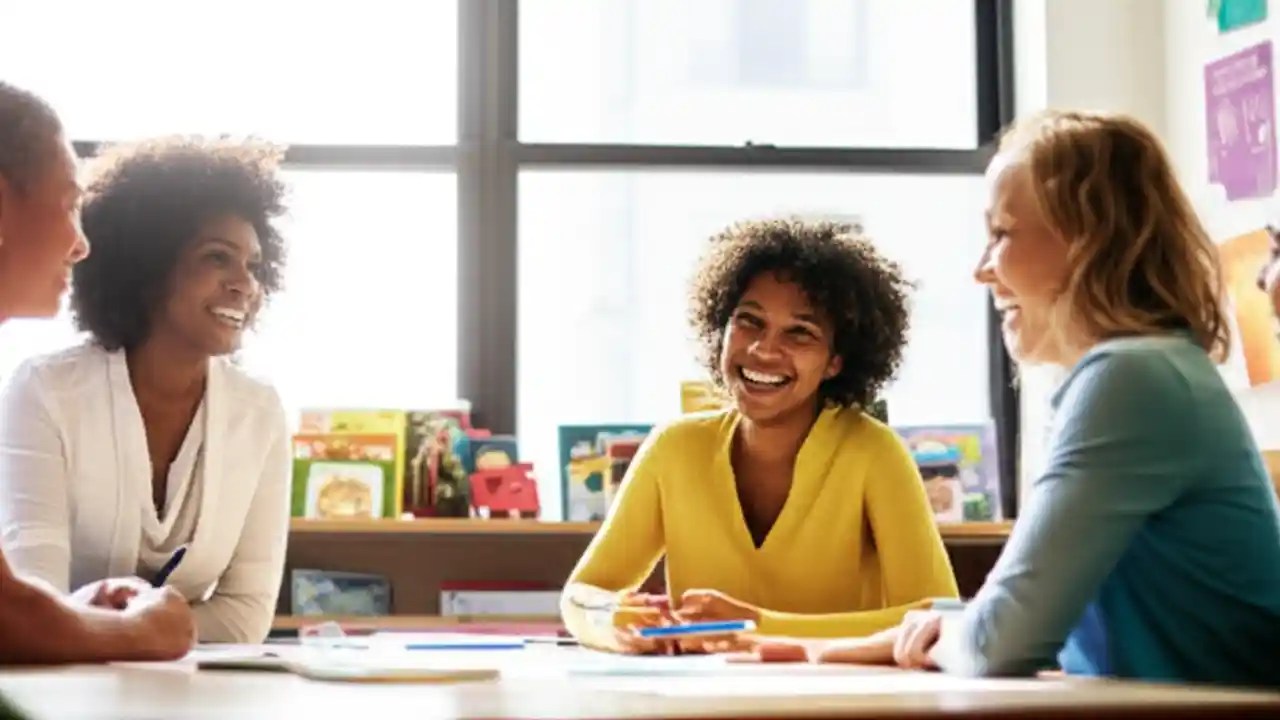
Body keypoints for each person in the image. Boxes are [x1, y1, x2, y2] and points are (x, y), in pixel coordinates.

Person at [753, 110, 1280, 686]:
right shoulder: (1145, 371)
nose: (982, 271)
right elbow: (1009, 626)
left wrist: (938, 633)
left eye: (1001, 234)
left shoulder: (1132, 378)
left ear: (1088, 239)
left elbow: (1000, 643)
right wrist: (918, 632)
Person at [560, 218, 959, 654]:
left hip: (834, 693)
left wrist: (755, 627)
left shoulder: (874, 452)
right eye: (749, 322)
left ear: (835, 361)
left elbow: (936, 616)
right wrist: (615, 620)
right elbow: (582, 594)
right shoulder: (674, 448)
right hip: (701, 693)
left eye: (800, 333)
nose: (763, 350)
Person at [0, 136, 292, 644]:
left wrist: (141, 628)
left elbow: (246, 615)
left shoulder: (259, 412)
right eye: (218, 258)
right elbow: (30, 600)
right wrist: (145, 629)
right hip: (59, 684)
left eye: (254, 267)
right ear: (149, 266)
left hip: (190, 685)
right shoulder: (46, 391)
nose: (244, 284)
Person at [0, 80, 194, 663]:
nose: (80, 245)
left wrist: (71, 616)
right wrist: (148, 631)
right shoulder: (42, 387)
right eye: (68, 205)